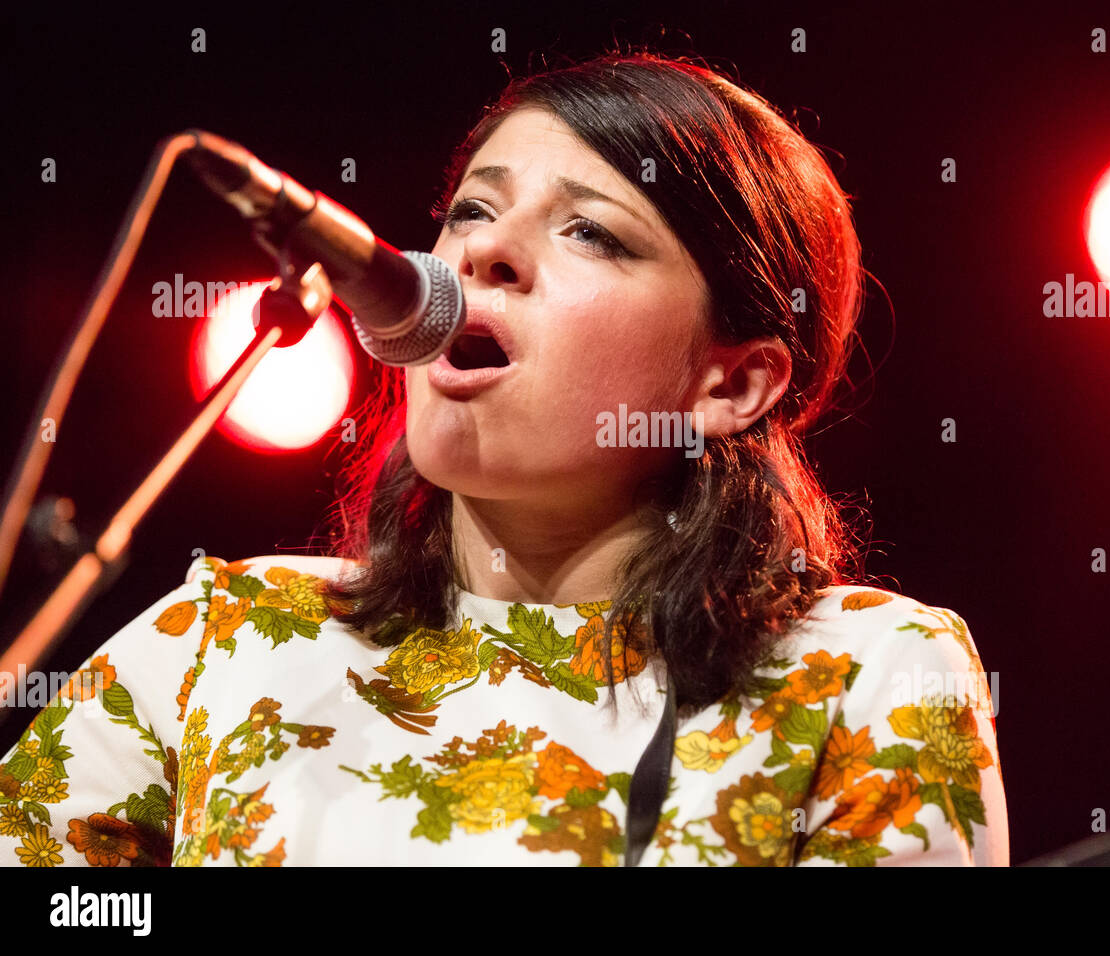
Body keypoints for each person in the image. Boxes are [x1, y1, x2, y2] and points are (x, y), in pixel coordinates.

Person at [0, 50, 1008, 867]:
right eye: (474, 210)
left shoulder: (860, 673)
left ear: (729, 386)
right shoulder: (227, 639)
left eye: (590, 232)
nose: (482, 251)